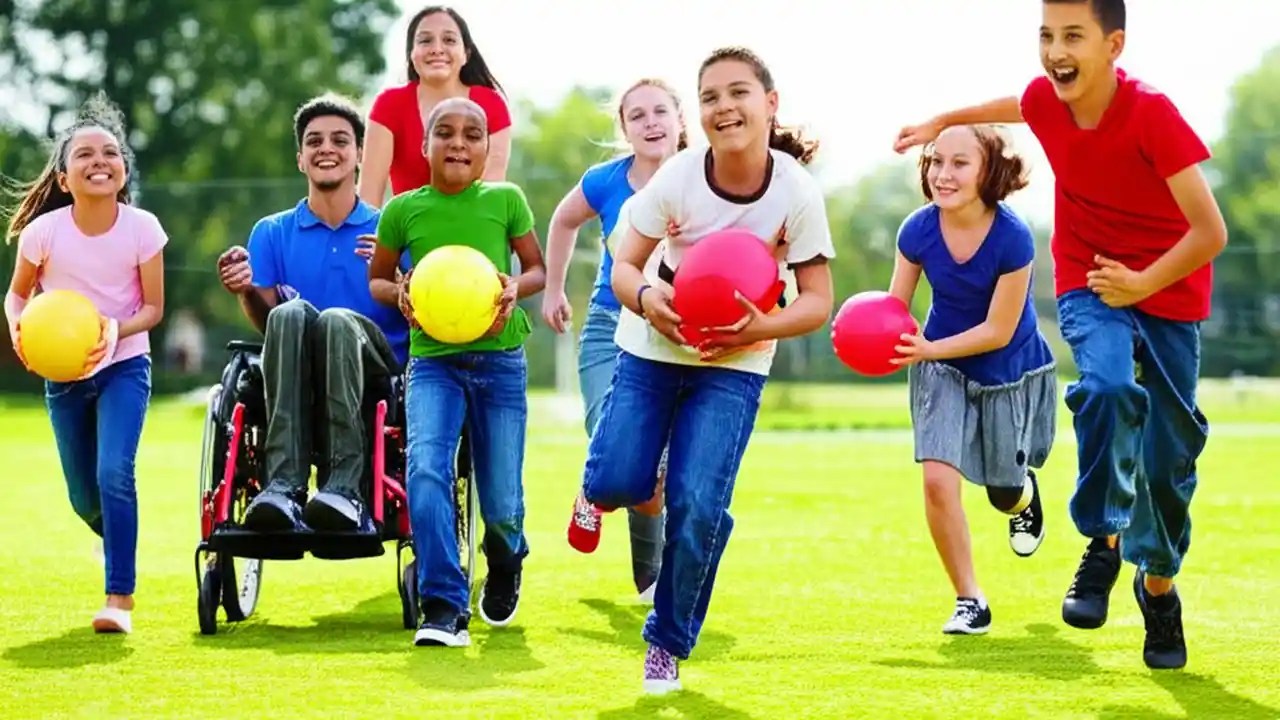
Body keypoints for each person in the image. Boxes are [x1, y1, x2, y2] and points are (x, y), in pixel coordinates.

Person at [893, 0, 1228, 670]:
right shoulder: (1048, 101)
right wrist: (942, 121)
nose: (1054, 50)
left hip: (1167, 291)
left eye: (1072, 35)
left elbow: (1211, 232)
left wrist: (1144, 282)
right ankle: (1102, 539)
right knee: (1104, 386)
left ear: (1113, 45)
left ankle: (1158, 589)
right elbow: (1016, 103)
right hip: (1088, 278)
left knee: (1169, 459)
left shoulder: (1152, 114)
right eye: (1046, 35)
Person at [579, 47, 836, 694]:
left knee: (694, 503)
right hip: (652, 349)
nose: (724, 107)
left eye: (738, 92)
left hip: (735, 365)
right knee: (616, 480)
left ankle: (665, 642)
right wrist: (647, 301)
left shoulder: (796, 194)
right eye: (711, 97)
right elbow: (625, 265)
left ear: (770, 104)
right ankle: (607, 489)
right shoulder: (678, 176)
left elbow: (816, 303)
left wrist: (758, 329)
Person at [369, 97, 547, 648]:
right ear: (423, 147)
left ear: (487, 149)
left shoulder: (506, 200)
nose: (459, 143)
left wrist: (518, 286)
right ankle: (442, 605)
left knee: (502, 503)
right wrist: (398, 290)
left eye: (473, 134)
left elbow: (536, 268)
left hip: (499, 361)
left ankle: (506, 556)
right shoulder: (402, 210)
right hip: (433, 363)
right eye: (444, 133)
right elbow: (377, 280)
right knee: (425, 470)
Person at [4, 93, 167, 635]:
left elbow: (153, 308)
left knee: (114, 472)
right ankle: (117, 541)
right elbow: (17, 297)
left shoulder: (143, 227)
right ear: (64, 177)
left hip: (124, 365)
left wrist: (112, 331)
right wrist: (19, 331)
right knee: (82, 496)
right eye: (85, 155)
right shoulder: (43, 234)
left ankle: (119, 598)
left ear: (122, 171)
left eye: (111, 153)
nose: (100, 161)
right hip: (63, 374)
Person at [887, 124, 1056, 636]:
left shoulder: (1012, 236)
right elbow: (895, 307)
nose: (943, 174)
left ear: (989, 172)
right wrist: (866, 333)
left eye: (959, 163)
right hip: (941, 368)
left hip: (1008, 367)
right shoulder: (916, 231)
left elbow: (999, 330)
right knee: (938, 481)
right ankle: (969, 599)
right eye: (936, 162)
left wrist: (929, 346)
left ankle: (1023, 495)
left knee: (1003, 490)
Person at [216, 94, 410, 535]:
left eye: (340, 140)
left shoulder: (391, 227)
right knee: (290, 314)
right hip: (295, 368)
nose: (327, 148)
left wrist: (398, 278)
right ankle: (282, 485)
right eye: (315, 141)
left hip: (375, 368)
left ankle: (345, 487)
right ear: (301, 158)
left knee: (337, 320)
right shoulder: (271, 232)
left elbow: (420, 308)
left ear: (359, 155)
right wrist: (246, 289)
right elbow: (267, 325)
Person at [543, 78, 689, 602]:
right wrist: (555, 289)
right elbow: (562, 221)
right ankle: (594, 483)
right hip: (610, 324)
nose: (650, 123)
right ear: (624, 129)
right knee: (612, 426)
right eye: (637, 116)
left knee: (657, 458)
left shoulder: (705, 175)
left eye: (659, 112)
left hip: (677, 330)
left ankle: (650, 582)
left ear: (679, 120)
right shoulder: (605, 181)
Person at [359, 5, 512, 207]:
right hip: (408, 232)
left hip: (474, 232)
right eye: (425, 40)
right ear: (411, 55)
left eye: (449, 40)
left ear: (465, 53)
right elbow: (369, 197)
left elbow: (491, 193)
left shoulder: (492, 104)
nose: (437, 49)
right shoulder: (389, 105)